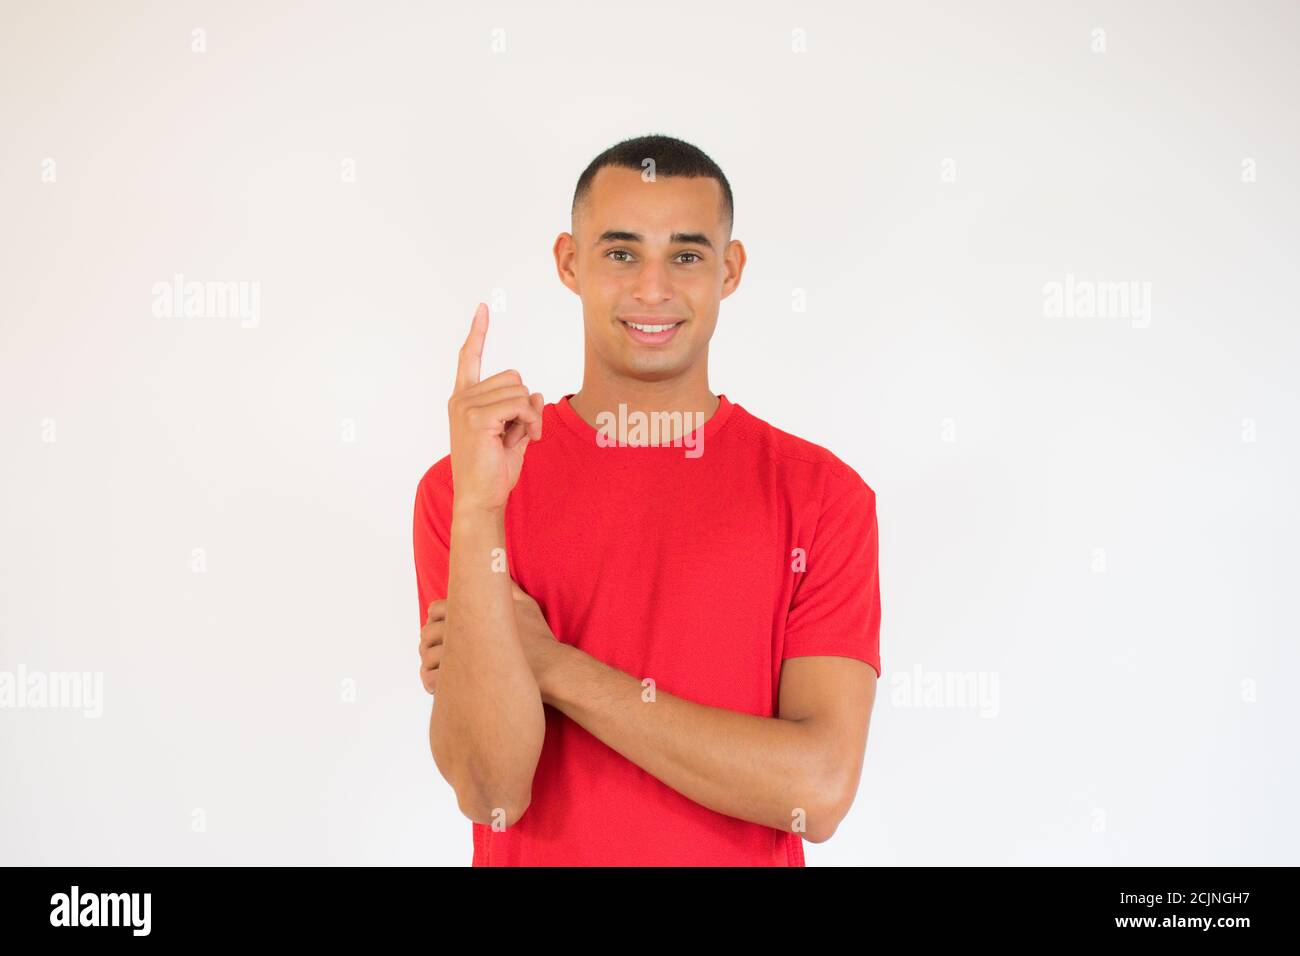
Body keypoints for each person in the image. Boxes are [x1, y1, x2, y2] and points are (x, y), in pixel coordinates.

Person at [413, 134, 881, 866]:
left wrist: (550, 665)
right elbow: (489, 790)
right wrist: (479, 512)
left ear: (729, 270)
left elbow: (817, 790)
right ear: (570, 262)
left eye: (686, 256)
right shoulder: (466, 490)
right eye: (622, 253)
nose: (652, 290)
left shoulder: (823, 496)